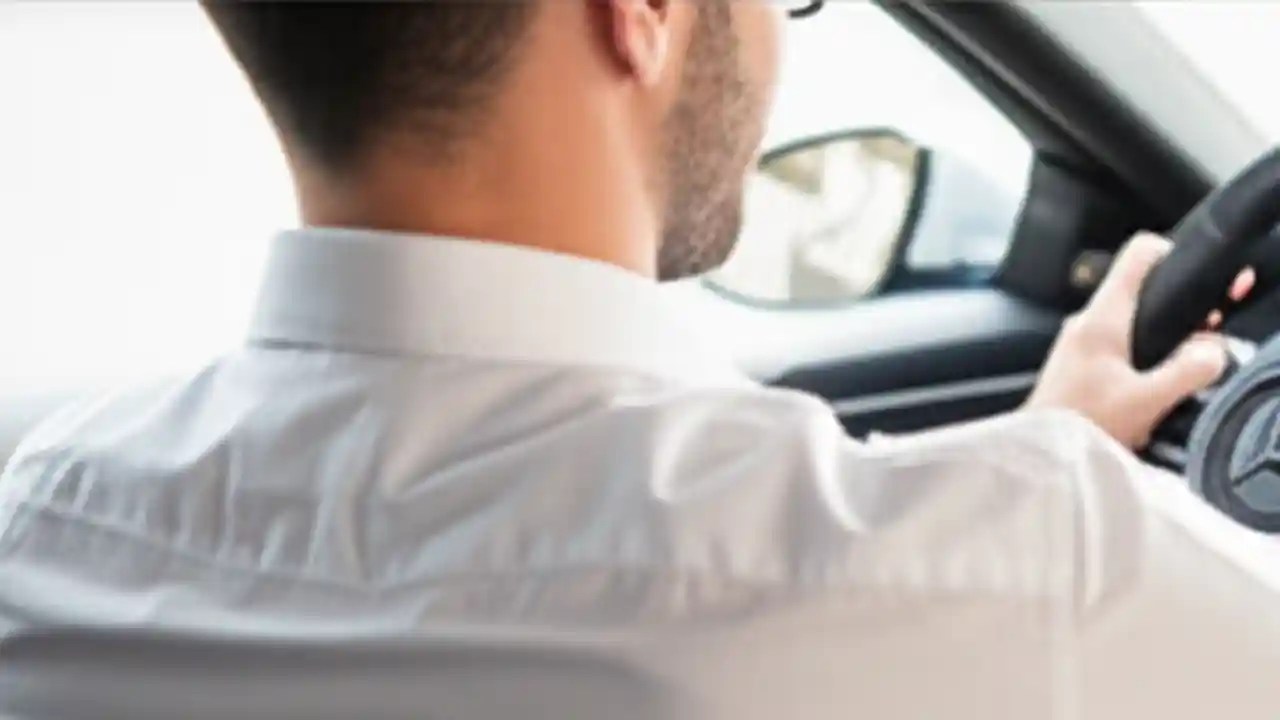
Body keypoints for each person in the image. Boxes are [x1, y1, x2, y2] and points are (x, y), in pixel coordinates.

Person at [0, 1, 1276, 718]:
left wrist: (1016, 470)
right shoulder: (1040, 579)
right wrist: (1031, 507)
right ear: (643, 15)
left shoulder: (49, 531)